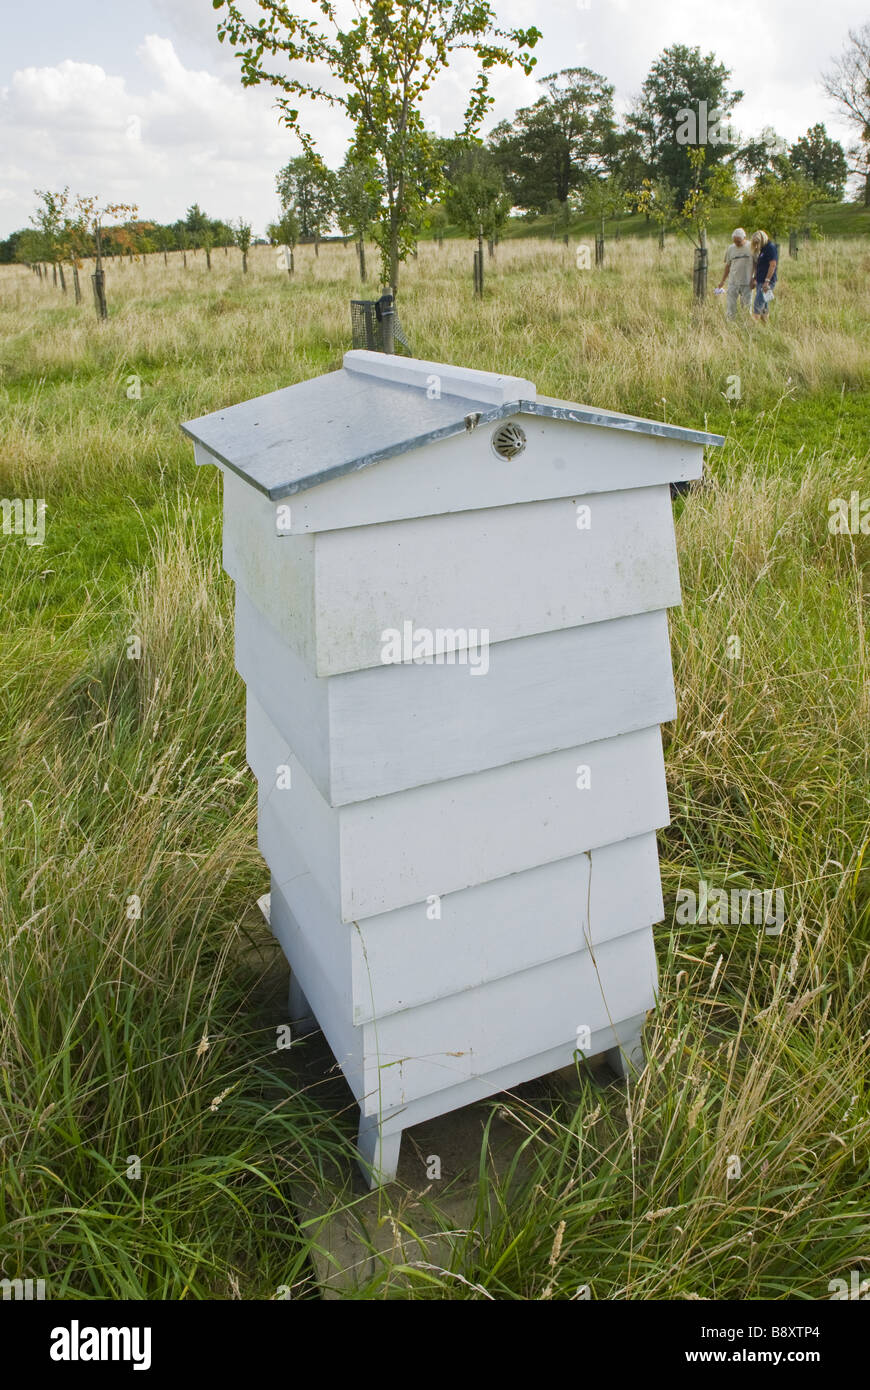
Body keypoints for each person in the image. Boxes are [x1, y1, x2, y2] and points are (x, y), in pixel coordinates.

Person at [717, 228, 753, 320]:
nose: (737, 243)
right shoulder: (731, 248)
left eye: (739, 241)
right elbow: (728, 266)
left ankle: (746, 325)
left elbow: (757, 264)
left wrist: (755, 278)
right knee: (730, 307)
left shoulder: (751, 247)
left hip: (747, 282)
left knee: (746, 307)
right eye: (735, 241)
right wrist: (722, 281)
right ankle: (730, 325)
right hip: (733, 282)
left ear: (744, 238)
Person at [750, 230, 778, 323]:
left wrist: (767, 281)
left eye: (758, 243)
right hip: (760, 281)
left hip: (766, 282)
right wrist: (754, 278)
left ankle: (752, 327)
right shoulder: (762, 249)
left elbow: (773, 264)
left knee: (757, 304)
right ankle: (766, 326)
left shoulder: (770, 247)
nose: (757, 245)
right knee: (764, 306)